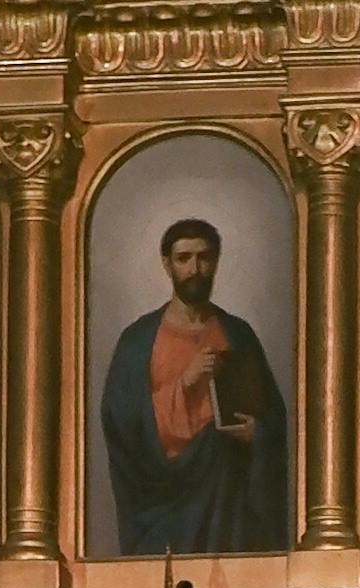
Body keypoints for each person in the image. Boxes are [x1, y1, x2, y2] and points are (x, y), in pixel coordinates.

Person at [99, 214, 289, 556]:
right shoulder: (138, 341)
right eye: (184, 258)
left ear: (215, 262)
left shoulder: (238, 334)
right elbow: (122, 424)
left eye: (203, 258)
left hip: (228, 501)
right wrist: (184, 383)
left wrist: (255, 433)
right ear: (167, 264)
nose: (195, 269)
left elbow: (272, 416)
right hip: (162, 505)